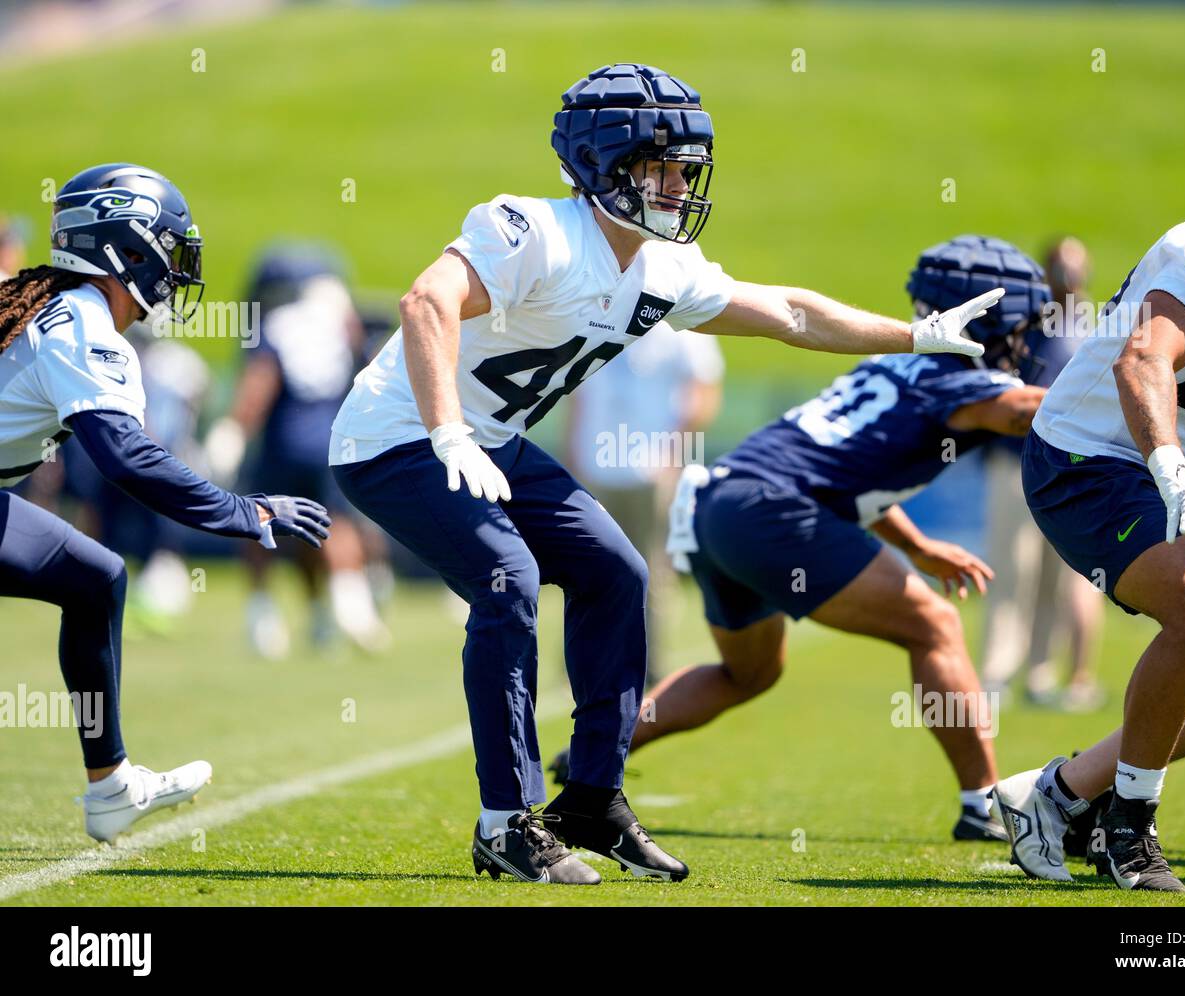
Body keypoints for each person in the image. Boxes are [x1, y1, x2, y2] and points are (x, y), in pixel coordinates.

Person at [329, 64, 1001, 885]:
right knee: (508, 580)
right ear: (608, 163)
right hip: (398, 437)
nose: (683, 186)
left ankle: (592, 801)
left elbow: (790, 312)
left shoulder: (660, 266)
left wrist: (914, 336)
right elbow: (424, 303)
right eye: (666, 166)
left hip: (489, 435)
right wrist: (446, 430)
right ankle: (506, 823)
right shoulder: (531, 229)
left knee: (616, 571)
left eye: (688, 168)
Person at [554, 235, 1051, 843]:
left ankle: (594, 761)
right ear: (987, 320)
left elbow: (840, 475)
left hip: (719, 505)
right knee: (935, 626)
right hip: (769, 509)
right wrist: (1138, 388)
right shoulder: (958, 377)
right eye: (1022, 325)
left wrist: (916, 546)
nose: (1026, 341)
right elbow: (1030, 410)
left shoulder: (891, 361)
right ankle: (984, 805)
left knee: (749, 672)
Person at [991, 88, 1185, 892]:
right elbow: (1142, 358)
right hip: (1092, 459)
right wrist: (1165, 461)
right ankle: (1131, 824)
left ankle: (1060, 797)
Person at [0, 163, 330, 843]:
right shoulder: (80, 321)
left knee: (94, 578)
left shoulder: (42, 299)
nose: (177, 268)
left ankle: (111, 786)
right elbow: (128, 457)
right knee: (93, 577)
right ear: (125, 245)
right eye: (169, 248)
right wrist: (248, 514)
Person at [204, 245, 390, 657]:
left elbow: (260, 382)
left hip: (283, 442)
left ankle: (262, 613)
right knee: (332, 523)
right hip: (333, 443)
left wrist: (234, 430)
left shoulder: (279, 323)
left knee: (258, 520)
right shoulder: (345, 323)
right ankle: (348, 605)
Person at [979, 237, 1103, 711]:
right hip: (1014, 462)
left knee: (1057, 577)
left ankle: (1039, 673)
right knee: (1013, 572)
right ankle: (996, 673)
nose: (1069, 281)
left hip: (1071, 470)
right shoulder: (1025, 323)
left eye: (1076, 271)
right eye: (1061, 270)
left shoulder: (1096, 324)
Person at [565, 321, 724, 684]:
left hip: (650, 469)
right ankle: (584, 660)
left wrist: (672, 457)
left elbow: (702, 391)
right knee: (584, 567)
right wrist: (573, 455)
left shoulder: (684, 323)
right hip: (595, 466)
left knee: (649, 571)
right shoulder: (596, 314)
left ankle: (646, 666)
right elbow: (579, 393)